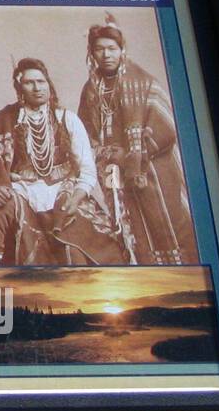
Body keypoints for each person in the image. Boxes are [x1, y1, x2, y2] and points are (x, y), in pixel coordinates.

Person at [0, 57, 124, 266]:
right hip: (21, 191)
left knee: (82, 244)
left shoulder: (68, 119)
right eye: (29, 83)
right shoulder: (7, 118)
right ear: (20, 88)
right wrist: (0, 185)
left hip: (65, 191)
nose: (37, 88)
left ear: (49, 84)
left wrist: (76, 198)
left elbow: (87, 172)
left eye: (41, 81)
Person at [77, 15, 198, 264]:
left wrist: (134, 154)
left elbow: (166, 127)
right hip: (114, 172)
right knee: (130, 227)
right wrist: (106, 154)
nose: (106, 54)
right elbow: (84, 131)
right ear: (91, 53)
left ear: (122, 50)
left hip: (154, 170)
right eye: (99, 49)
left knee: (169, 222)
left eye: (112, 48)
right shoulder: (90, 89)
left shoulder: (143, 82)